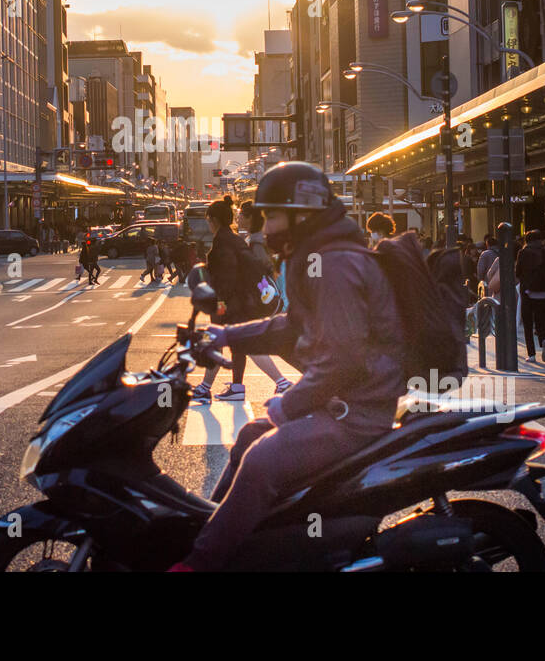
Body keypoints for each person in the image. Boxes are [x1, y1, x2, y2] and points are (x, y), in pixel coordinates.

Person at [170, 163, 410, 572]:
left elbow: (343, 359)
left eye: (273, 215)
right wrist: (223, 337)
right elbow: (291, 324)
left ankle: (200, 563)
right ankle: (217, 535)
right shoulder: (318, 256)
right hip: (343, 403)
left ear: (303, 214)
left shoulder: (334, 265)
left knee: (262, 460)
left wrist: (289, 405)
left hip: (356, 411)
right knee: (248, 435)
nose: (266, 227)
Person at [193, 199, 290, 403]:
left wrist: (219, 302)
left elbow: (227, 277)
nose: (208, 224)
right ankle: (232, 387)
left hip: (231, 304)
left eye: (208, 220)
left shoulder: (223, 243)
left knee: (237, 344)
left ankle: (282, 383)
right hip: (241, 303)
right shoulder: (234, 239)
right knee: (239, 345)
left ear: (214, 220)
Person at [514, 230, 545, 363]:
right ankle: (544, 340)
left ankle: (532, 354)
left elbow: (518, 272)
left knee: (528, 323)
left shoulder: (523, 253)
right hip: (544, 290)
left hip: (528, 291)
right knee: (541, 321)